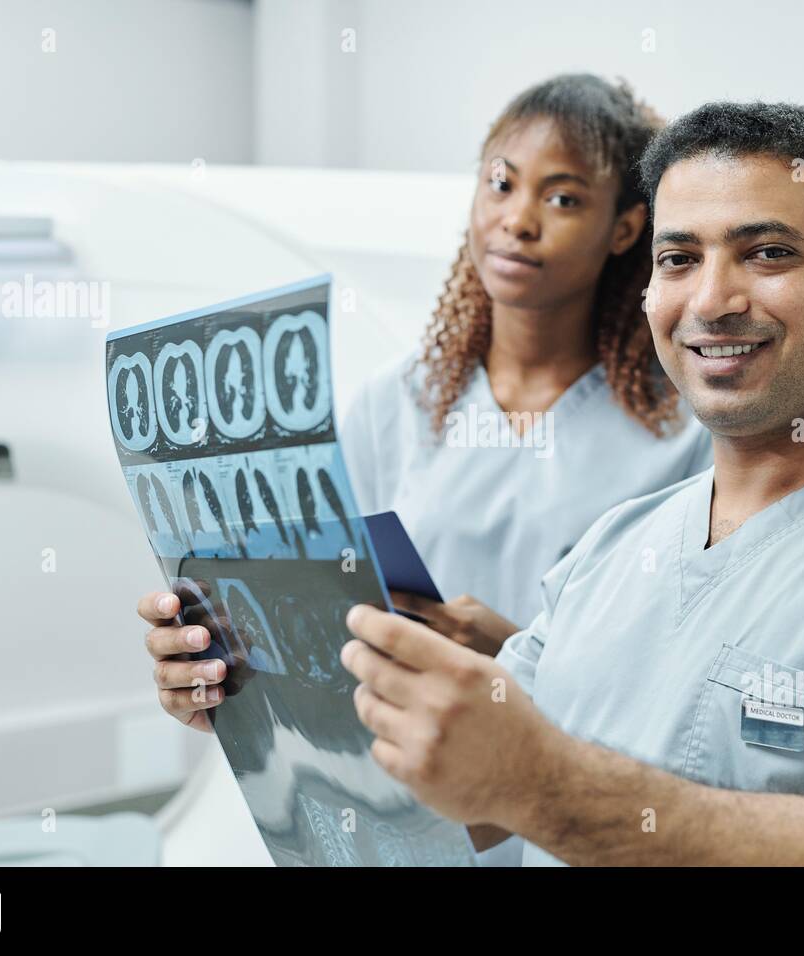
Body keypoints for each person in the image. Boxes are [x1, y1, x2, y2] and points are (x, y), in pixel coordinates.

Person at [338, 101, 804, 866]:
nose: (710, 301)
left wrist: (543, 787)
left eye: (767, 254)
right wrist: (266, 702)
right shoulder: (610, 552)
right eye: (679, 259)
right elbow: (457, 798)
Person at [137, 74, 712, 863]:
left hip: (570, 822)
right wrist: (218, 671)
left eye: (564, 199)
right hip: (391, 810)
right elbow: (324, 622)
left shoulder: (681, 433)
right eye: (501, 184)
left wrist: (515, 658)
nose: (518, 220)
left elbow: (682, 681)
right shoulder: (393, 406)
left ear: (625, 230)